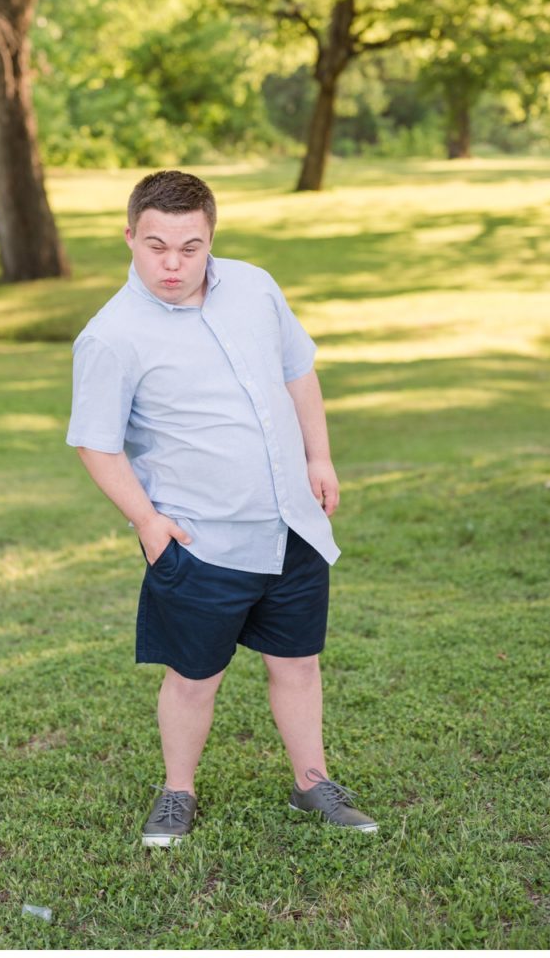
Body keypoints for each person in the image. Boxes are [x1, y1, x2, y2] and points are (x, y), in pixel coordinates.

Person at [68, 170, 377, 846]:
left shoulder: (256, 287)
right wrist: (149, 524)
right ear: (128, 237)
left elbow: (298, 372)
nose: (172, 264)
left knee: (296, 664)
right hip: (199, 542)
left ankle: (312, 782)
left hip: (290, 524)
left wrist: (318, 459)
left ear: (212, 239)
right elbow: (96, 445)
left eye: (190, 247)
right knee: (192, 679)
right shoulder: (111, 336)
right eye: (155, 246)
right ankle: (177, 793)